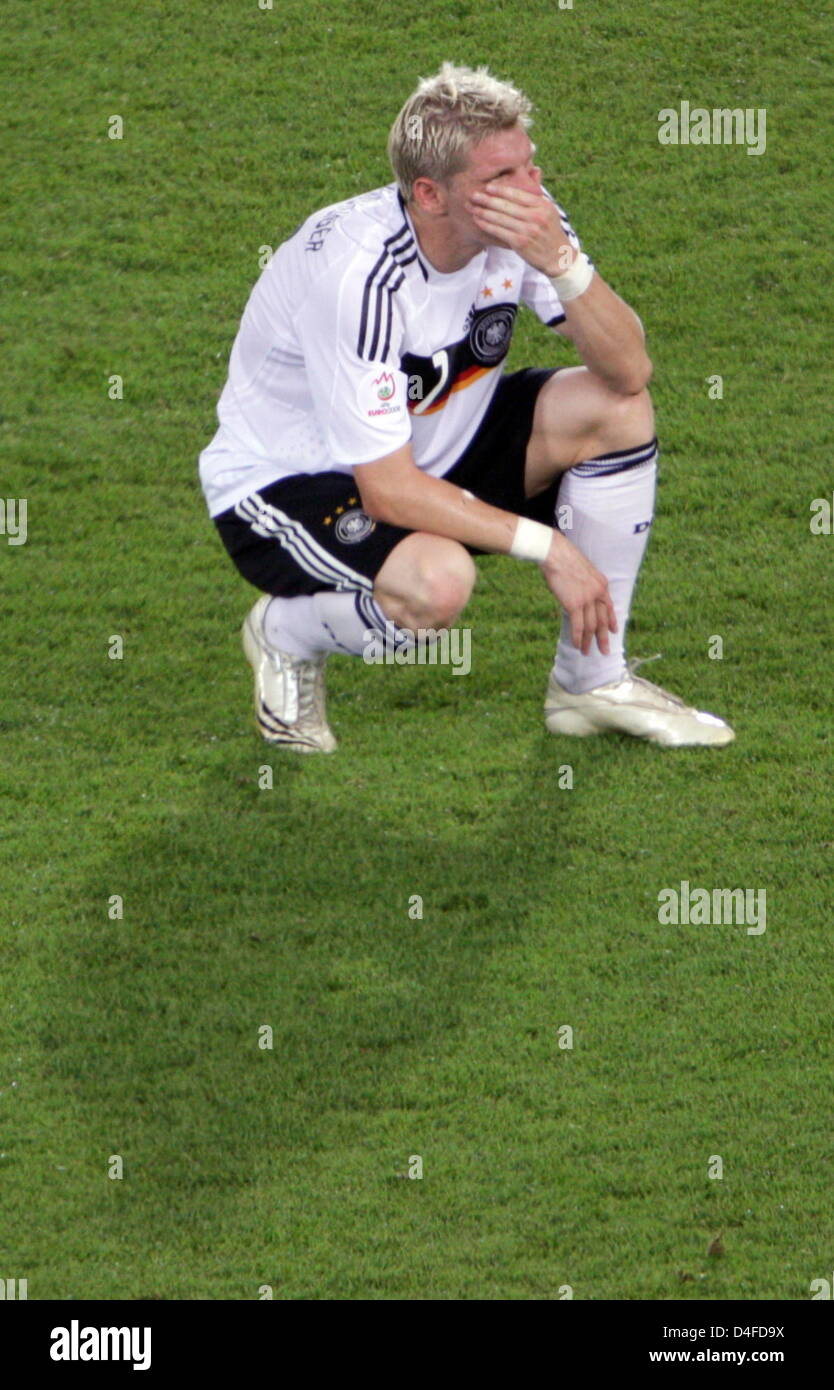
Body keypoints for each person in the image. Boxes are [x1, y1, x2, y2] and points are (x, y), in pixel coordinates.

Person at [198, 62, 733, 753]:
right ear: (429, 193)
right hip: (293, 483)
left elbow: (630, 369)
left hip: (431, 444)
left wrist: (561, 261)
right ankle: (284, 633)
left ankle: (589, 683)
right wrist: (550, 546)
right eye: (500, 181)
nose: (529, 194)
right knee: (437, 583)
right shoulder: (361, 278)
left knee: (616, 409)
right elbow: (386, 490)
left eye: (530, 169)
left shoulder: (529, 228)